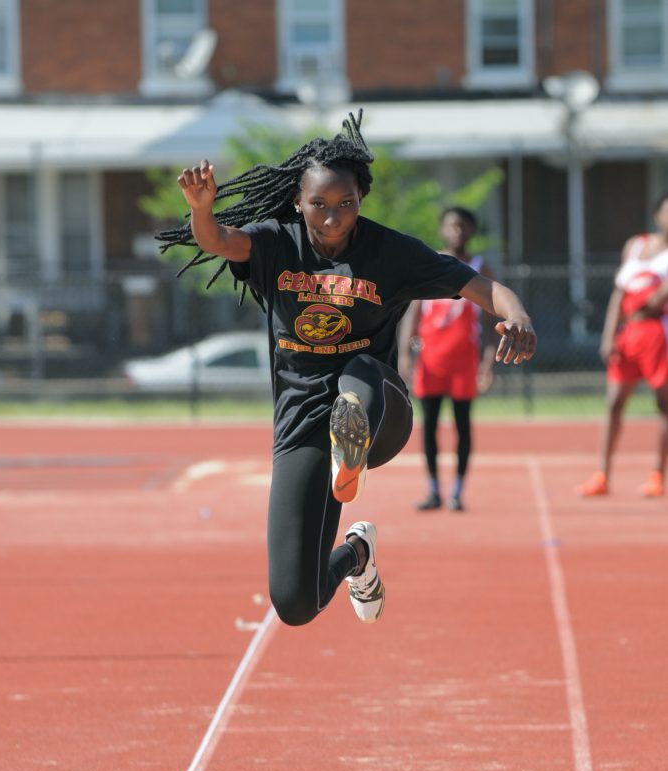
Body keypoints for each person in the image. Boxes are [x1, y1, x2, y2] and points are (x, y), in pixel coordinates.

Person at [158, 111, 536, 627]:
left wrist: (516, 316)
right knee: (294, 602)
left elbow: (481, 288)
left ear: (361, 199)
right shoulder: (277, 242)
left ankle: (349, 425)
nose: (333, 219)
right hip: (301, 421)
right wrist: (202, 209)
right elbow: (220, 241)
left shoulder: (391, 253)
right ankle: (358, 553)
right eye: (319, 206)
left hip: (379, 409)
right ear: (297, 201)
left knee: (356, 371)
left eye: (346, 204)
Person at [398, 206, 498, 511]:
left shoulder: (481, 268)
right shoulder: (430, 264)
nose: (457, 231)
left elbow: (491, 323)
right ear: (442, 229)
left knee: (462, 425)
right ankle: (433, 489)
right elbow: (413, 313)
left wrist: (488, 363)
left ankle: (457, 491)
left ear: (471, 231)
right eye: (452, 226)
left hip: (464, 363)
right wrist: (404, 356)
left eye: (464, 226)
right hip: (431, 361)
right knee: (428, 426)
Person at [579, 192, 668, 498]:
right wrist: (609, 335)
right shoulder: (636, 245)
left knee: (663, 405)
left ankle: (657, 474)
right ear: (657, 215)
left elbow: (657, 300)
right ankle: (602, 474)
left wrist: (651, 302)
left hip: (659, 334)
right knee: (614, 402)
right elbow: (620, 294)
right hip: (629, 333)